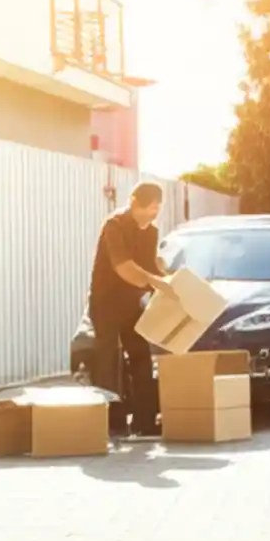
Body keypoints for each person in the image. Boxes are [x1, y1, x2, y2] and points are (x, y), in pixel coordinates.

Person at [88, 181, 174, 437]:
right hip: (105, 302)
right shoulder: (115, 225)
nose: (153, 213)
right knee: (107, 358)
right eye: (149, 207)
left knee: (140, 356)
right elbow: (124, 267)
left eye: (157, 208)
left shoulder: (151, 232)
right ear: (134, 202)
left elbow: (149, 266)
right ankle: (108, 423)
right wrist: (154, 281)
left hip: (130, 302)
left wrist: (171, 280)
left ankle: (145, 422)